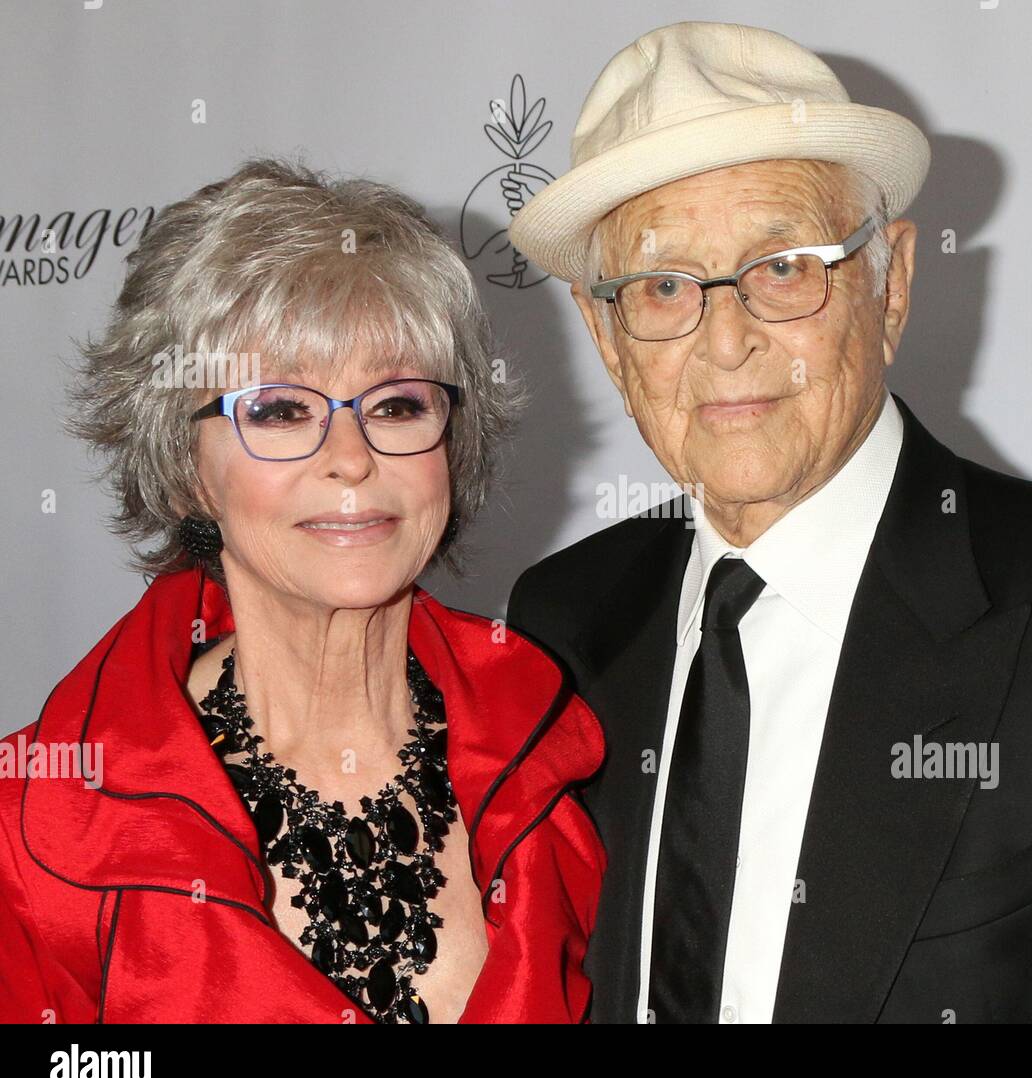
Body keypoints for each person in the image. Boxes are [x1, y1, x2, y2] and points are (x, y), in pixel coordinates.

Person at [505, 20, 1032, 1023]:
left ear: (892, 285)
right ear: (605, 335)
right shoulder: (560, 623)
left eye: (783, 266)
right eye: (664, 287)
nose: (728, 341)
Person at [0, 158, 605, 1024]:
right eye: (280, 410)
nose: (352, 458)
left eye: (396, 404)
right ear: (184, 468)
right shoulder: (37, 827)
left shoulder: (563, 758)